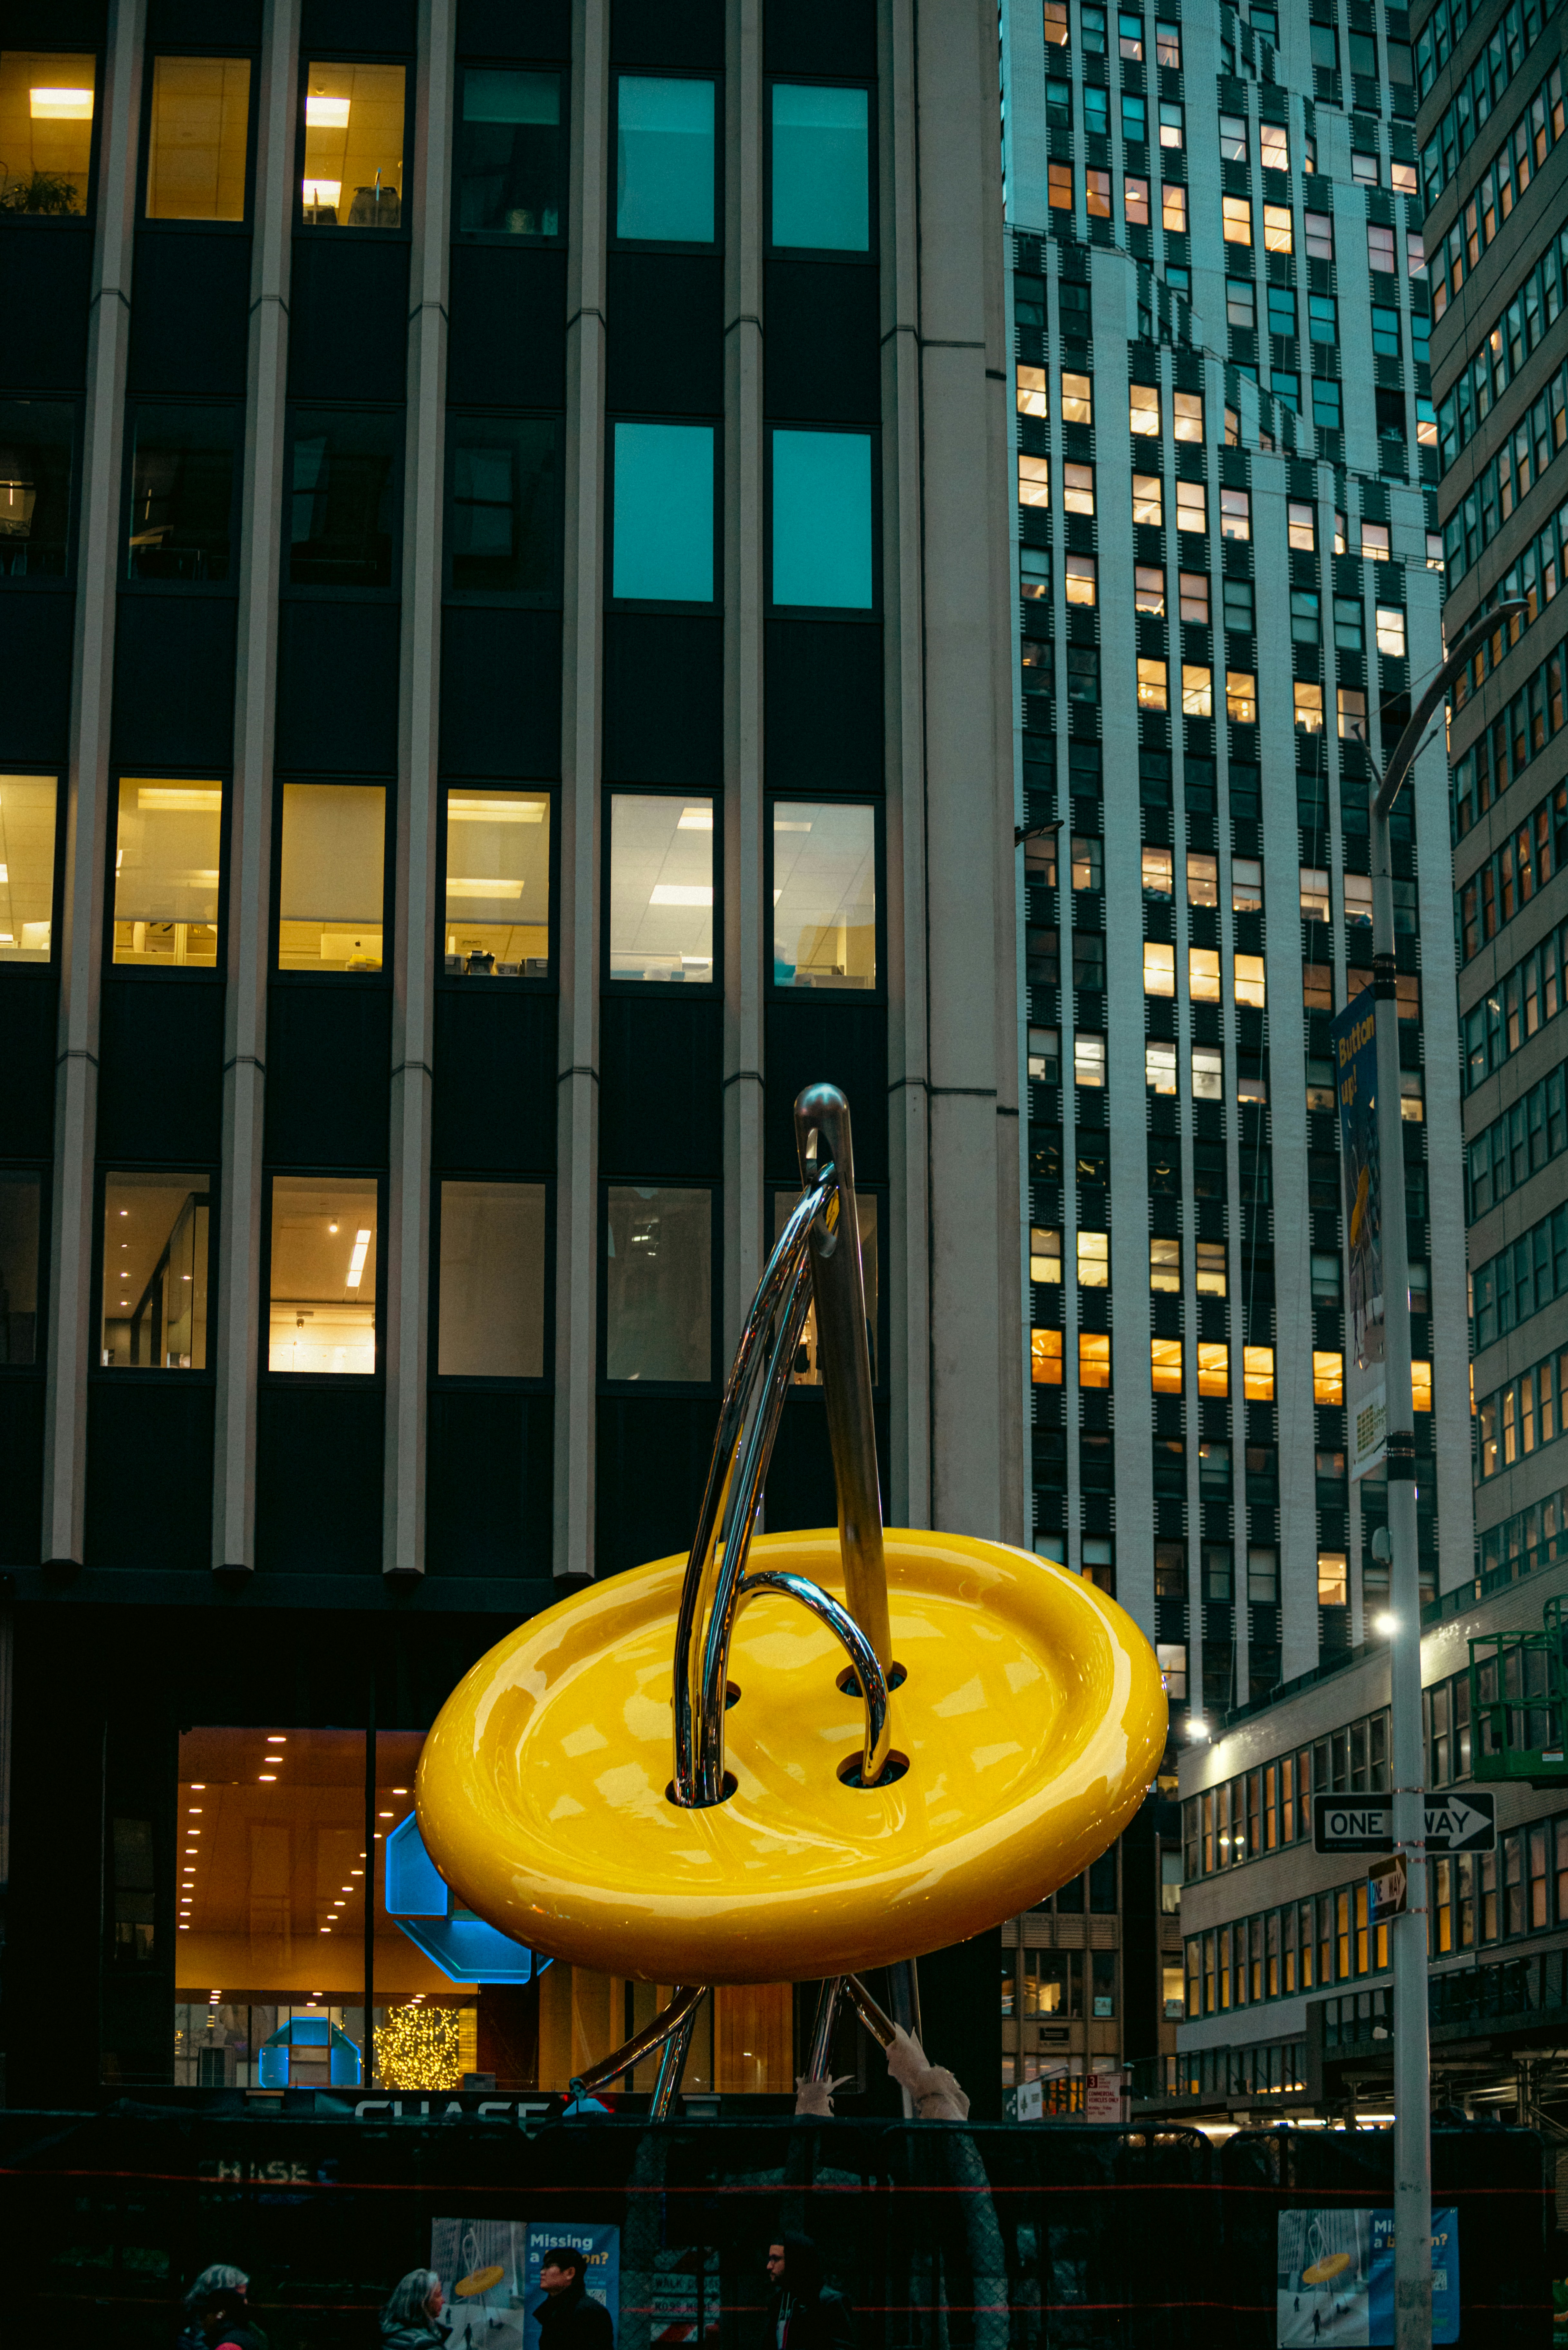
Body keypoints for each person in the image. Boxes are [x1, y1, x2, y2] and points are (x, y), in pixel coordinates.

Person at [765, 2236, 854, 2350]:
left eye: (776, 2259)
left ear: (795, 2261)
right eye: (770, 2259)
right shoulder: (778, 2301)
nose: (769, 2266)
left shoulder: (829, 2302)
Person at [534, 2249, 614, 2350]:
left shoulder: (591, 2312)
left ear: (570, 2273)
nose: (542, 2272)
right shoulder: (555, 2309)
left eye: (549, 2267)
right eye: (543, 2267)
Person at [178, 2268, 259, 2350]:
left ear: (220, 2314)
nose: (200, 2321)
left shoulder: (228, 2346)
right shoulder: (248, 2335)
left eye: (203, 2313)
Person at [381, 2271, 449, 2350]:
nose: (443, 2300)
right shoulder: (429, 2346)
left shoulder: (389, 2332)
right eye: (438, 2295)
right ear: (423, 2303)